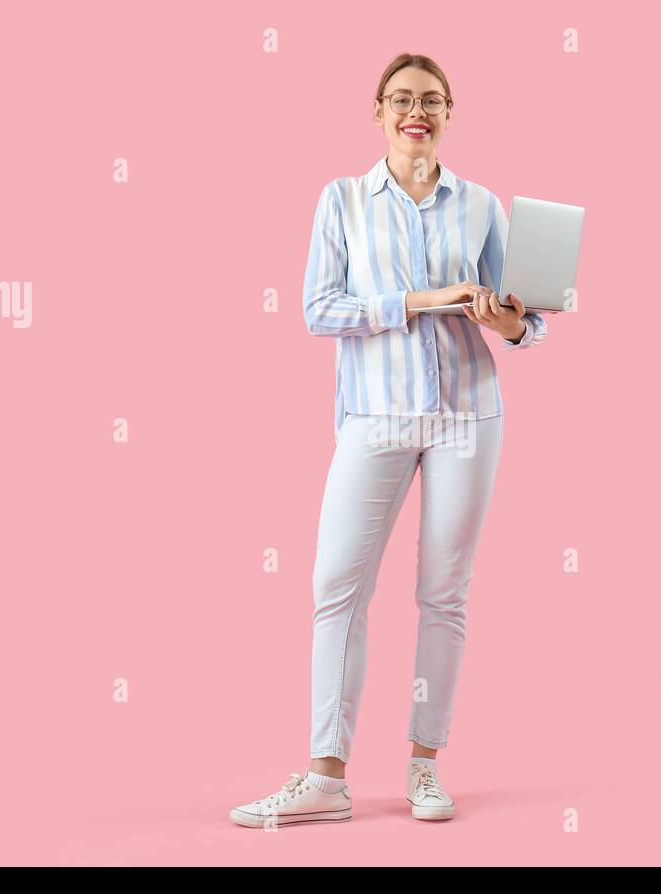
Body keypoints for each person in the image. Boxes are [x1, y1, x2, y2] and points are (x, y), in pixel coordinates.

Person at [229, 52, 547, 828]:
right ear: (378, 110)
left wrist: (502, 317)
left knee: (445, 596)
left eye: (432, 100)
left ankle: (424, 767)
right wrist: (422, 299)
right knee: (337, 587)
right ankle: (326, 778)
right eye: (402, 98)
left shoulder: (481, 207)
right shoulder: (341, 201)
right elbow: (318, 309)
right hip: (375, 415)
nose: (417, 110)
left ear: (448, 113)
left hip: (468, 417)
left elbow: (526, 324)